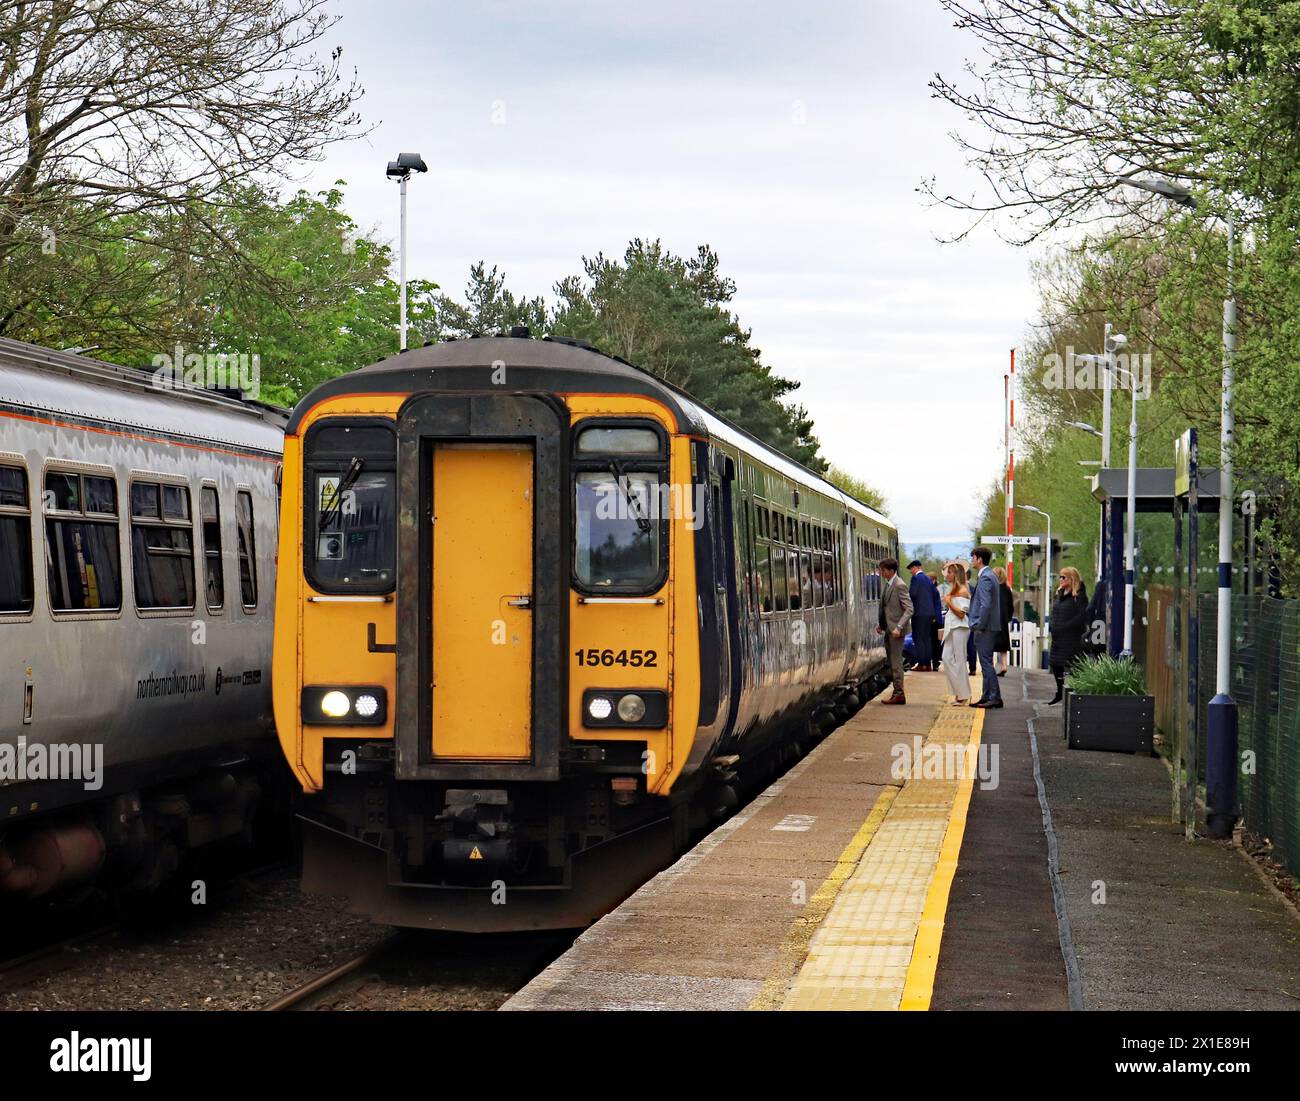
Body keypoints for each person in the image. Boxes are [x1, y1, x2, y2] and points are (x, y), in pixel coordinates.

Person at [967, 546, 1003, 708]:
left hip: (985, 627)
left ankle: (994, 697)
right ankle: (986, 695)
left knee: (986, 663)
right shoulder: (990, 575)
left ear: (979, 559)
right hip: (988, 626)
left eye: (973, 557)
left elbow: (986, 605)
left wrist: (978, 624)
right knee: (985, 662)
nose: (971, 560)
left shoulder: (986, 577)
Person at [1048, 566, 1089, 704]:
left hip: (1072, 637)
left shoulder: (1079, 595)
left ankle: (1077, 692)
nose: (1060, 580)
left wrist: (1067, 626)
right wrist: (1053, 626)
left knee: (1074, 664)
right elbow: (1055, 612)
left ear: (1071, 579)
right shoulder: (1059, 593)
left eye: (1063, 577)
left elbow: (1082, 615)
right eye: (1060, 577)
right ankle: (1060, 691)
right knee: (1055, 663)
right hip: (1058, 636)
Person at [876, 557, 913, 704]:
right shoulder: (889, 584)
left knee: (896, 663)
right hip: (889, 629)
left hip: (896, 631)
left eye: (883, 570)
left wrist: (899, 627)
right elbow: (887, 607)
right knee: (892, 662)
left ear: (891, 570)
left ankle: (899, 693)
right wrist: (882, 625)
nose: (881, 572)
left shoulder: (899, 585)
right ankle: (897, 692)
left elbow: (909, 609)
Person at [940, 561, 972, 704]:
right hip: (952, 628)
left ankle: (963, 694)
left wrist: (949, 602)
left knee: (960, 660)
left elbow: (961, 614)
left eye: (950, 572)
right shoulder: (953, 590)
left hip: (960, 628)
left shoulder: (963, 591)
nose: (947, 575)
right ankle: (959, 691)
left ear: (957, 574)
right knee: (946, 657)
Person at [906, 560, 939, 671]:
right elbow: (934, 594)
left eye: (911, 569)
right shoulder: (928, 579)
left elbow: (913, 594)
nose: (911, 571)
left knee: (918, 638)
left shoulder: (915, 578)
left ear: (915, 567)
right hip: (929, 613)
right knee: (927, 639)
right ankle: (928, 664)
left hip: (919, 613)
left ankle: (921, 664)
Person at [992, 565, 1014, 675]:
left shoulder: (992, 588)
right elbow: (1011, 606)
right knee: (1003, 646)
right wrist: (1008, 618)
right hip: (1004, 619)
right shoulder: (1007, 589)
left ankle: (990, 666)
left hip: (993, 618)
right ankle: (1004, 665)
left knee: (990, 643)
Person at [927, 571, 944, 671]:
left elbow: (933, 606)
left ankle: (934, 662)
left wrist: (933, 617)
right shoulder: (935, 590)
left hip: (933, 620)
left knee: (933, 642)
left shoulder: (932, 591)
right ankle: (935, 663)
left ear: (933, 580)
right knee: (935, 642)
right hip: (936, 619)